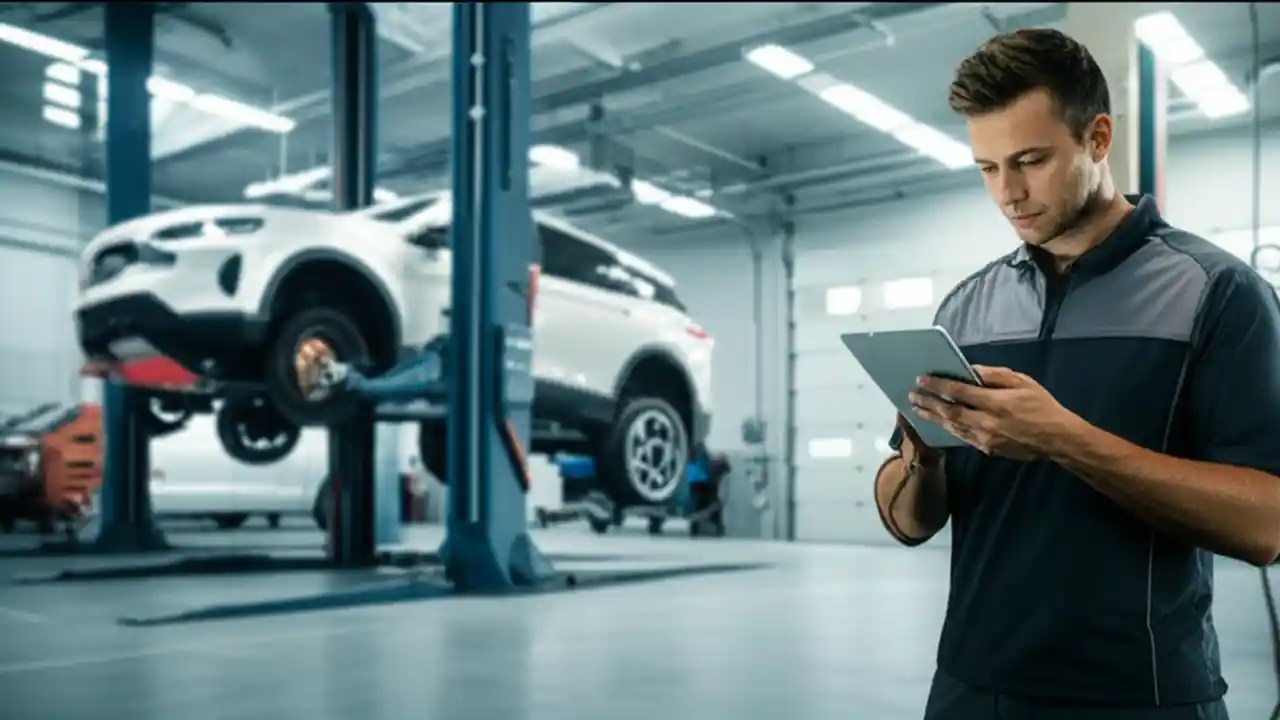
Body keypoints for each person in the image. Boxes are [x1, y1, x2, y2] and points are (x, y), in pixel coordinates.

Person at [873, 27, 1280, 720]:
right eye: (987, 168)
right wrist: (922, 463)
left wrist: (1062, 437)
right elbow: (910, 522)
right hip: (972, 687)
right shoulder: (966, 310)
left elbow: (1267, 523)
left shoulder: (1216, 293)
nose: (1008, 192)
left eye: (1031, 160)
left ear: (1097, 139)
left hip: (1141, 695)